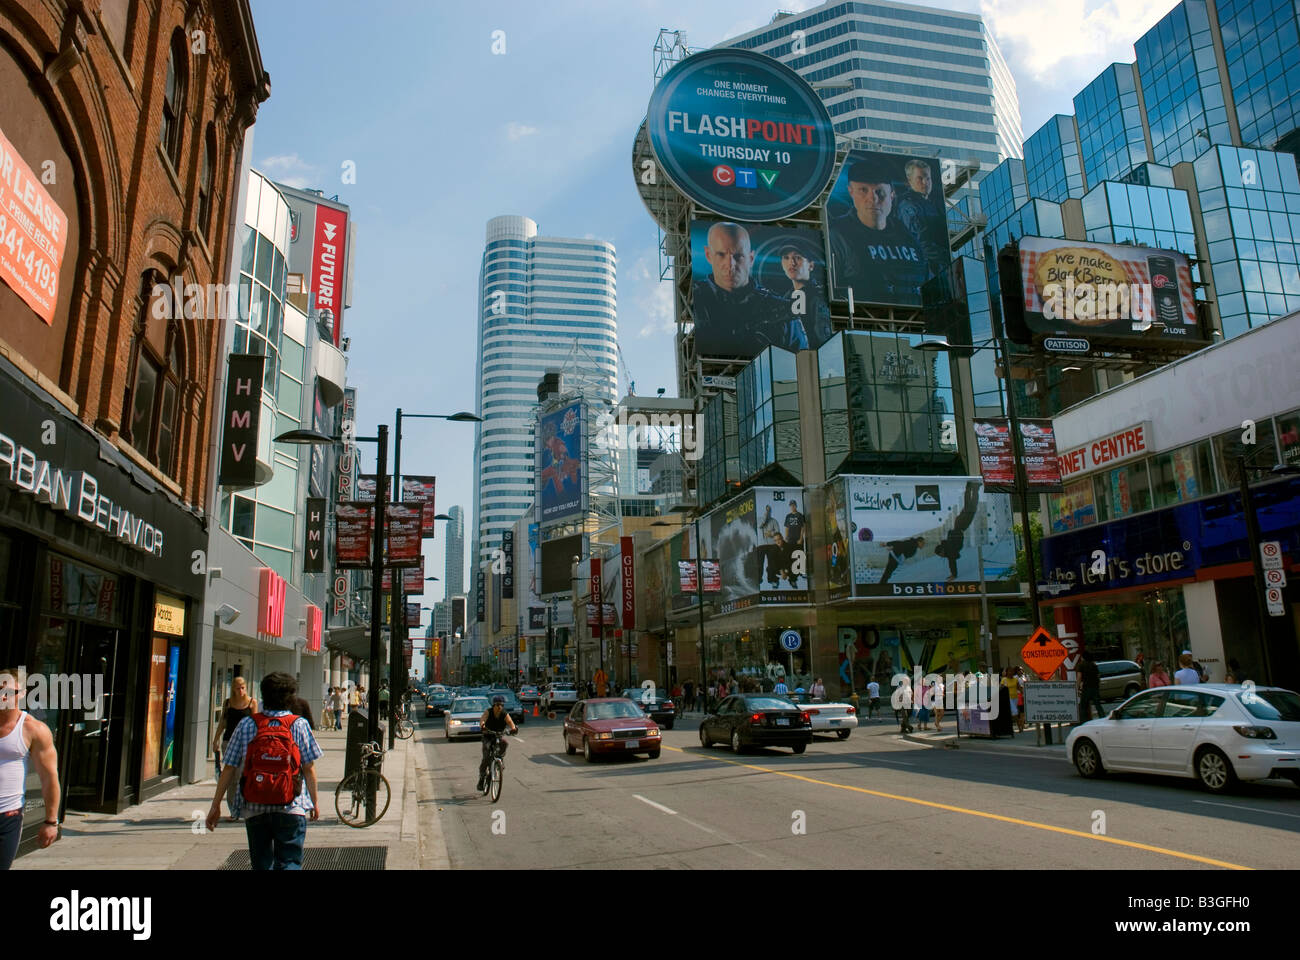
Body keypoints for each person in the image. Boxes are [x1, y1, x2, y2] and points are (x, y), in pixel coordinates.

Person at [205, 672, 322, 870]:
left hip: (254, 805)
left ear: (263, 695)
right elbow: (309, 769)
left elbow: (229, 768)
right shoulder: (299, 725)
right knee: (289, 862)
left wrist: (215, 805)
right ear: (290, 696)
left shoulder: (247, 724)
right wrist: (314, 802)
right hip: (291, 805)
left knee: (261, 864)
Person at [694, 222, 808, 354]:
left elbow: (803, 364)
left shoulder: (783, 311)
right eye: (721, 255)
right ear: (708, 255)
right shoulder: (694, 301)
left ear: (751, 258)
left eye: (738, 256)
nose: (730, 265)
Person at [828, 154, 927, 303]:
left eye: (879, 191)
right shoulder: (837, 234)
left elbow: (928, 282)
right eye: (863, 190)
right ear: (851, 192)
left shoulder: (907, 234)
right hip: (857, 321)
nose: (872, 199)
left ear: (892, 196)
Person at [1, 668, 61, 870]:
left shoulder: (32, 729)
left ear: (23, 693)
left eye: (9, 692)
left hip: (7, 816)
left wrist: (51, 822)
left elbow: (49, 778)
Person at [212, 676, 258, 821]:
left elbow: (256, 723)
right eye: (238, 688)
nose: (241, 690)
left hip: (246, 742)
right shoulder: (228, 703)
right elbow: (223, 723)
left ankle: (243, 807)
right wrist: (215, 740)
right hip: (229, 741)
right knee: (230, 776)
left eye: (243, 687)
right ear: (233, 688)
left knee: (241, 775)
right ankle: (233, 810)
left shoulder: (252, 702)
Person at [894, 158, 949, 276]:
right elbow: (921, 243)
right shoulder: (908, 206)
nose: (925, 182)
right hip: (927, 270)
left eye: (928, 178)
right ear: (909, 180)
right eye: (920, 178)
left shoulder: (934, 203)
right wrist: (947, 257)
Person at [777, 241, 833, 347]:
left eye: (797, 257)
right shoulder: (786, 298)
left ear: (810, 265)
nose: (791, 262)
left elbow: (823, 340)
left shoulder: (818, 295)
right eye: (786, 257)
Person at [934, 482, 981, 582]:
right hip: (959, 524)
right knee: (969, 505)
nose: (941, 556)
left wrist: (954, 575)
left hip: (961, 525)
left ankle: (973, 487)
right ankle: (971, 487)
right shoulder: (948, 548)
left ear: (942, 551)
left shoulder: (949, 550)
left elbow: (952, 563)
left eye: (940, 554)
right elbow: (951, 559)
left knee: (971, 506)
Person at [477, 696, 518, 792]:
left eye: (502, 705)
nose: (500, 707)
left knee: (504, 743)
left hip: (498, 735)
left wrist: (513, 728)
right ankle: (482, 778)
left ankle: (500, 759)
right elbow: (482, 719)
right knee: (486, 757)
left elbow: (510, 722)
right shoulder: (488, 711)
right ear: (494, 705)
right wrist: (482, 726)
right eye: (498, 704)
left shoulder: (504, 713)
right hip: (488, 735)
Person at [1077, 652, 1104, 722]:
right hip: (1095, 687)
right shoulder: (1094, 665)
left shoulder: (1081, 665)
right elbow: (1098, 676)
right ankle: (1103, 718)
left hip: (1086, 688)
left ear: (1083, 657)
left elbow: (1079, 677)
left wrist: (1077, 687)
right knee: (1098, 705)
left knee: (1083, 706)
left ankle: (1084, 721)